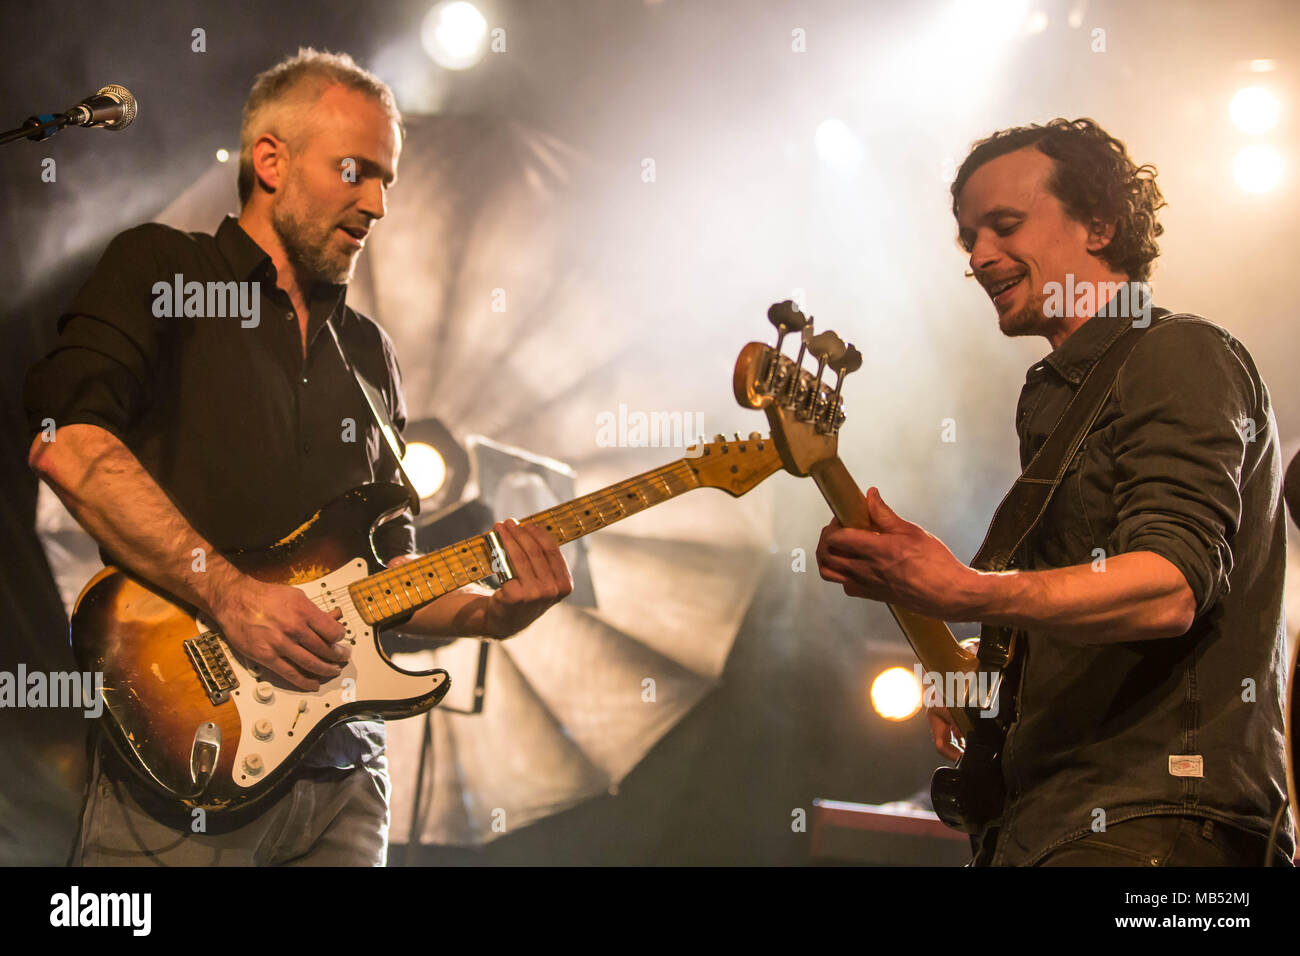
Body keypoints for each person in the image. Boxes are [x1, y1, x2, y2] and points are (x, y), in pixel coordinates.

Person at [24, 48, 574, 866]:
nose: (377, 204)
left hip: (348, 783)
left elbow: (386, 581)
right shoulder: (161, 267)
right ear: (270, 161)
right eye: (356, 172)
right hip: (191, 759)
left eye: (388, 180)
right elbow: (69, 445)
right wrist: (231, 594)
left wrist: (491, 614)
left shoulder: (370, 355)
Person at [815, 118, 1293, 867]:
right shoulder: (1056, 396)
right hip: (1055, 829)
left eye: (1004, 226)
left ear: (1100, 223)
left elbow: (1168, 586)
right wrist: (994, 667)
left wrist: (968, 591)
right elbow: (1094, 602)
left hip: (1157, 827)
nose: (978, 257)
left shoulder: (1177, 352)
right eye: (968, 238)